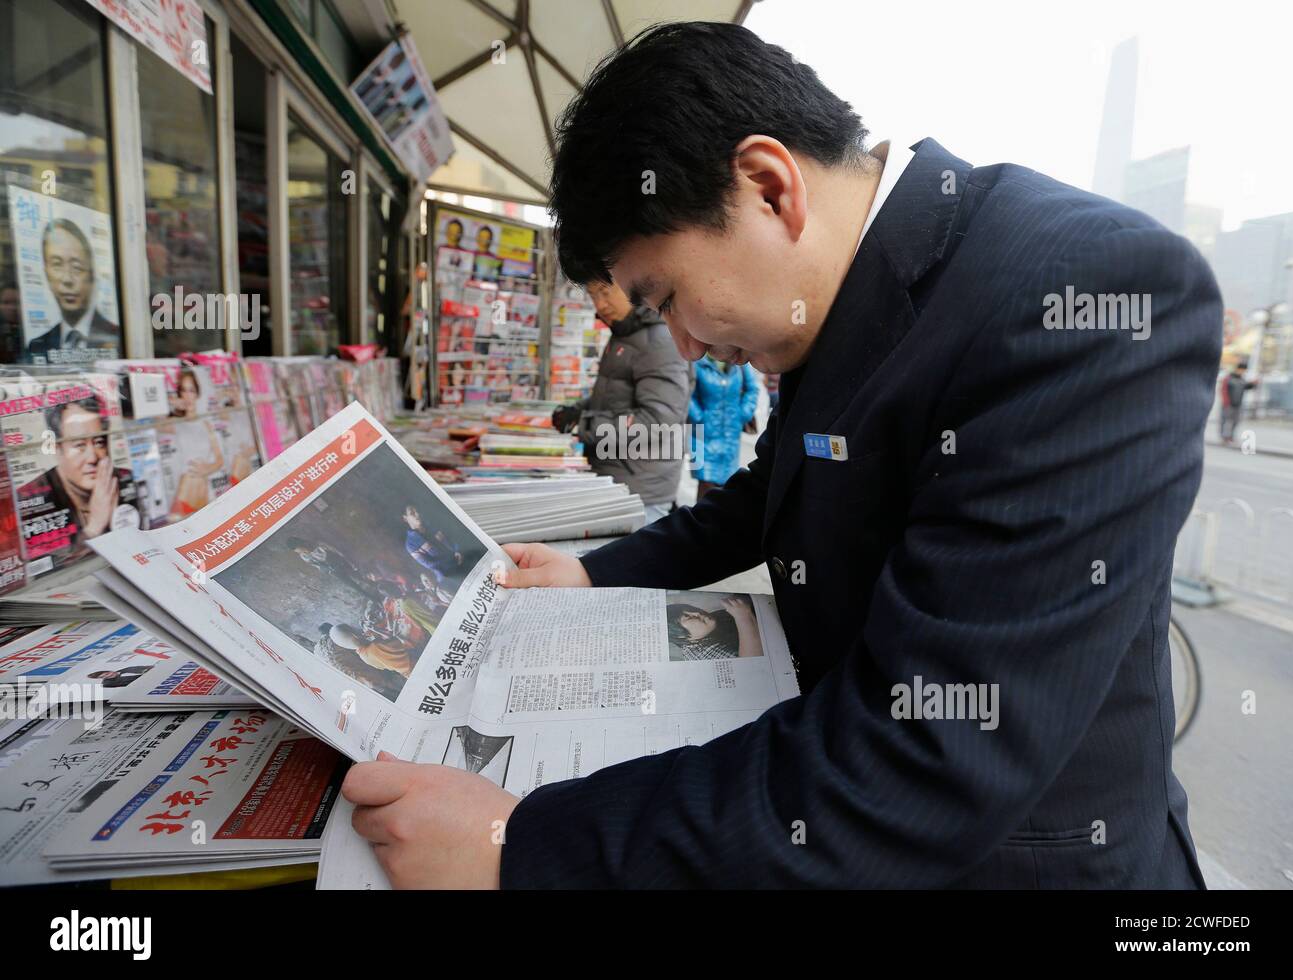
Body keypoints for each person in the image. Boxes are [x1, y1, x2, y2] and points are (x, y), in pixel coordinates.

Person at [342, 23, 1221, 889]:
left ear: (768, 187)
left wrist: (522, 847)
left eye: (670, 297)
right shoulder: (834, 297)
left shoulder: (1086, 292)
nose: (680, 347)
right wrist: (595, 574)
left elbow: (926, 751)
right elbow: (778, 490)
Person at [551, 278, 690, 522]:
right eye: (593, 295)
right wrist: (576, 411)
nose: (600, 304)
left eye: (605, 292)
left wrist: (582, 424)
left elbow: (657, 420)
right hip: (618, 479)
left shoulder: (659, 340)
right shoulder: (625, 332)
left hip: (641, 491)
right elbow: (615, 399)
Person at [17, 397, 138, 560]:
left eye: (99, 443)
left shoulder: (123, 479)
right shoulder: (31, 499)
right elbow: (49, 567)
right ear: (56, 448)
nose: (92, 458)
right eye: (79, 445)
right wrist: (94, 527)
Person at [24, 219, 118, 363]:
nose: (67, 279)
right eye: (57, 265)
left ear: (92, 275)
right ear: (46, 272)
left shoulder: (115, 338)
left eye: (76, 267)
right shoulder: (37, 347)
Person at [689, 353, 761, 501]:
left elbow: (752, 389)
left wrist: (742, 414)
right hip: (704, 436)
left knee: (726, 488)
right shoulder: (697, 363)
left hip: (730, 436)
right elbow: (688, 392)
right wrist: (700, 417)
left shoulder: (739, 361)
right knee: (706, 488)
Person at [1218, 361, 1255, 445]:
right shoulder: (1228, 378)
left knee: (1235, 421)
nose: (1243, 372)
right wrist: (1226, 402)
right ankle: (1224, 437)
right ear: (1238, 369)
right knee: (1225, 421)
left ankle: (1231, 437)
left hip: (1238, 404)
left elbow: (1246, 387)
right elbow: (1223, 390)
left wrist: (1253, 384)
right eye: (1242, 370)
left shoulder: (1242, 379)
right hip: (1228, 404)